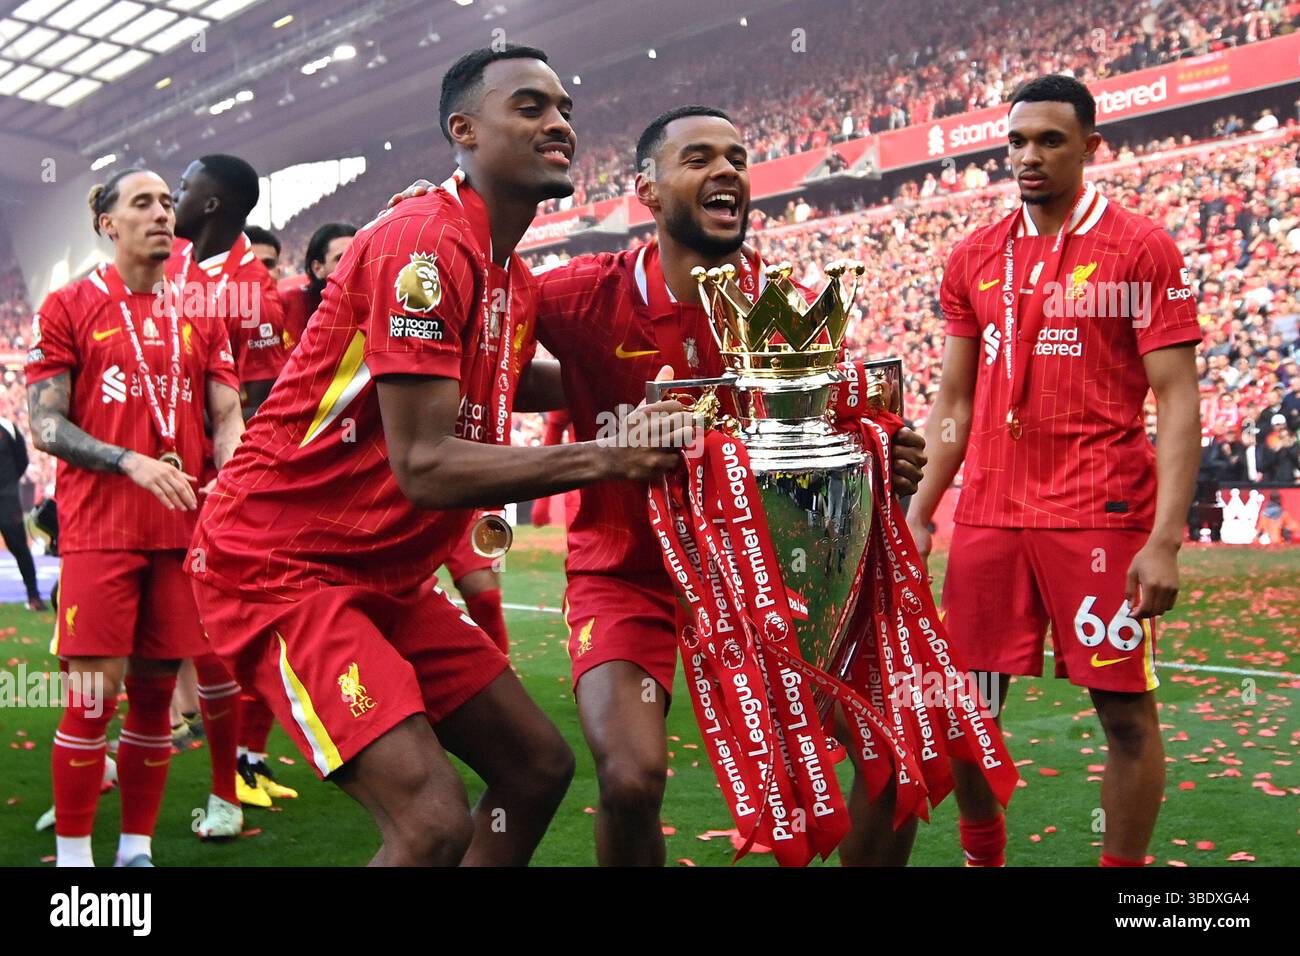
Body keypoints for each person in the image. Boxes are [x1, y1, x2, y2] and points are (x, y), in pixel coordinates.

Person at [186, 45, 692, 866]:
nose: (558, 122)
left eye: (563, 106)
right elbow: (424, 465)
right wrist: (607, 454)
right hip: (281, 566)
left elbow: (508, 378)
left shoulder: (510, 277)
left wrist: (656, 385)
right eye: (529, 107)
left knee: (535, 769)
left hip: (383, 572)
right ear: (463, 130)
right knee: (431, 821)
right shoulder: (423, 244)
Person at [392, 104, 928, 866]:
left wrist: (886, 454)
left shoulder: (786, 308)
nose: (727, 172)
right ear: (647, 190)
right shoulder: (577, 296)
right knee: (631, 778)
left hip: (760, 578)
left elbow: (835, 430)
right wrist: (425, 221)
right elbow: (477, 321)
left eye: (738, 158)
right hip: (626, 571)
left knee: (885, 746)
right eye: (701, 157)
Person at [906, 75, 1202, 868]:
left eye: (1049, 140)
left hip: (1100, 518)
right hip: (992, 518)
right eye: (1016, 141)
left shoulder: (1140, 247)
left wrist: (1165, 538)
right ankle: (984, 855)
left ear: (1090, 147)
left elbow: (1177, 401)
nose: (1027, 156)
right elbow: (954, 402)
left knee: (1126, 718)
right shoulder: (974, 254)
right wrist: (922, 505)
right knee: (967, 713)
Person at [27, 168, 245, 865]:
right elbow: (45, 425)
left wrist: (233, 482)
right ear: (107, 224)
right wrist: (129, 461)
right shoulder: (68, 306)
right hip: (100, 533)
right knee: (92, 701)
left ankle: (134, 851)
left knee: (154, 703)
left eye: (165, 203)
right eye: (142, 203)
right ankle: (73, 861)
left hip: (180, 537)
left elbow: (226, 415)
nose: (161, 214)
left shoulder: (202, 311)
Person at [170, 154, 292, 819]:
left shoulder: (253, 291)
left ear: (212, 203)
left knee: (241, 622)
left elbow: (263, 395)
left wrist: (240, 481)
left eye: (185, 188)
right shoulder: (172, 270)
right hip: (162, 478)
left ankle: (245, 754)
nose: (174, 198)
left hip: (225, 486)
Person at [278, 222, 357, 352]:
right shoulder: (288, 304)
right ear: (317, 268)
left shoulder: (379, 305)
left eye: (359, 255)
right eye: (341, 258)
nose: (353, 263)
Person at [0, 414, 44, 609]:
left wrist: (8, 485)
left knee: (20, 548)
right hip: (8, 495)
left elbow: (22, 460)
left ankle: (33, 596)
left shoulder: (7, 427)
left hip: (7, 500)